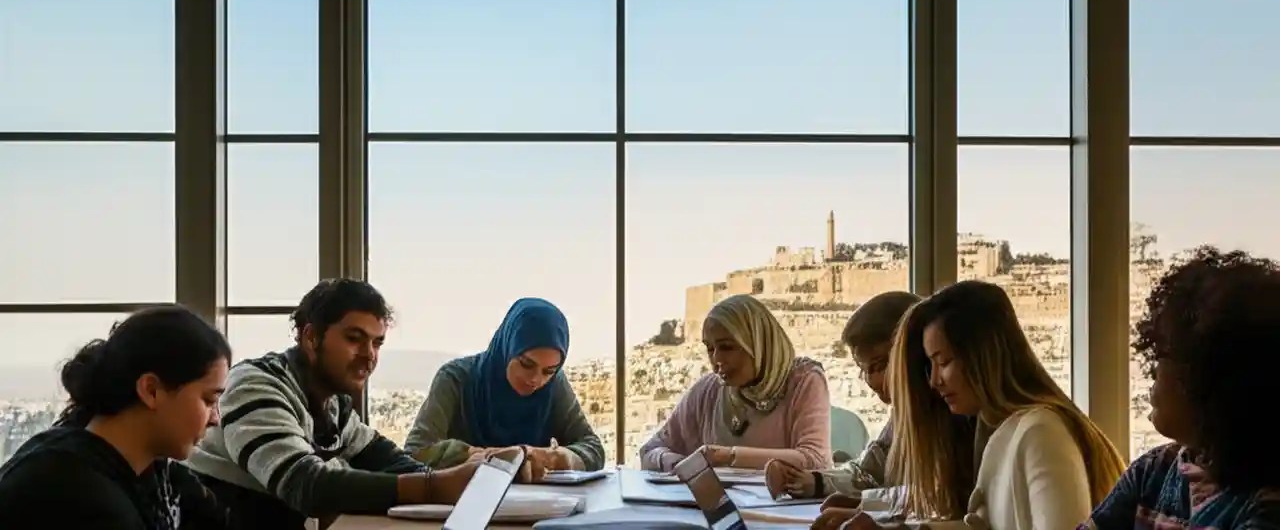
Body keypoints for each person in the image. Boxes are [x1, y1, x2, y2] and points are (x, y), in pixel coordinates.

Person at [817, 280, 1126, 530]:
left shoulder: (1040, 433)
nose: (934, 382)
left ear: (984, 356)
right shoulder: (1001, 430)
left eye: (944, 362)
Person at [186, 278, 478, 530]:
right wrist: (434, 486)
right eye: (355, 338)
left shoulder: (332, 401)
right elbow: (305, 484)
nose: (369, 355)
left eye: (377, 343)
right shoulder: (256, 385)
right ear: (311, 337)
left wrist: (452, 481)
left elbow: (383, 458)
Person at [1081, 248, 1280, 530]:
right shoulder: (1152, 471)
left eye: (1162, 353)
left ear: (1207, 378)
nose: (1151, 369)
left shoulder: (1267, 507)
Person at [0, 306, 232, 529]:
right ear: (151, 390)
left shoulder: (152, 472)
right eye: (209, 400)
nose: (215, 419)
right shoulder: (75, 499)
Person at [404, 298, 605, 476]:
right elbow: (415, 451)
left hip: (537, 510)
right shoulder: (456, 379)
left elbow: (593, 449)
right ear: (507, 348)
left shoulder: (554, 385)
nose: (536, 380)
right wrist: (479, 457)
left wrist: (549, 457)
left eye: (549, 371)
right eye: (526, 364)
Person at [639, 293, 832, 472]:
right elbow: (650, 450)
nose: (717, 359)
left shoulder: (803, 380)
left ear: (758, 343)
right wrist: (677, 464)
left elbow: (816, 459)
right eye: (710, 349)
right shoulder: (710, 390)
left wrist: (729, 457)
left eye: (727, 347)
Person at [767, 291, 920, 501]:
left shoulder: (950, 417)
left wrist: (867, 505)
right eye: (863, 369)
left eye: (880, 365)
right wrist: (812, 481)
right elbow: (869, 474)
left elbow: (932, 500)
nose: (872, 381)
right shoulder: (902, 417)